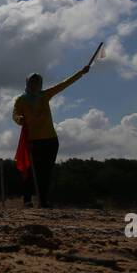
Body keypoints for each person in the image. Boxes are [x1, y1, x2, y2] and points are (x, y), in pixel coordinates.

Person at [12, 64, 90, 208]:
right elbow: (15, 114)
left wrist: (81, 73)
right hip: (32, 140)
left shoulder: (45, 95)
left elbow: (64, 84)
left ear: (41, 84)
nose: (35, 85)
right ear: (27, 83)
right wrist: (19, 119)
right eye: (32, 82)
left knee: (46, 173)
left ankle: (43, 201)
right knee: (30, 171)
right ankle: (27, 200)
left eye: (37, 82)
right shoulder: (21, 100)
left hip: (50, 140)